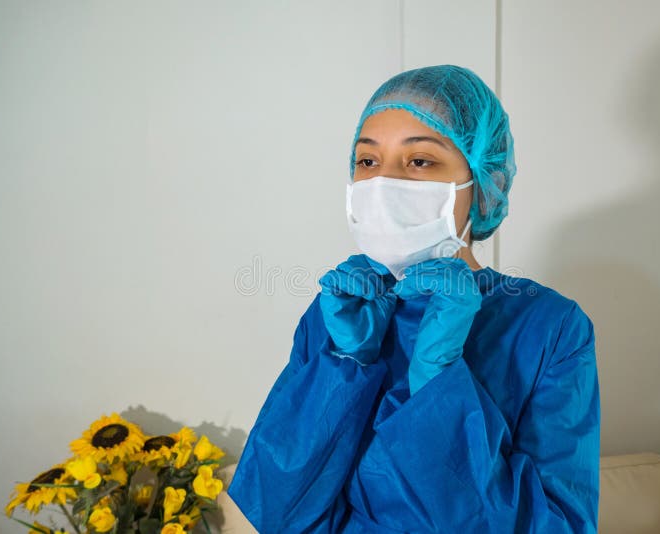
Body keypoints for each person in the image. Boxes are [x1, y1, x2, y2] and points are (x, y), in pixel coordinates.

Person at [228, 65, 601, 533]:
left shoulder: (550, 327)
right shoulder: (338, 315)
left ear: (481, 184)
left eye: (420, 161)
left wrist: (439, 384)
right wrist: (344, 366)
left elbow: (557, 527)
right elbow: (279, 510)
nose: (384, 183)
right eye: (368, 161)